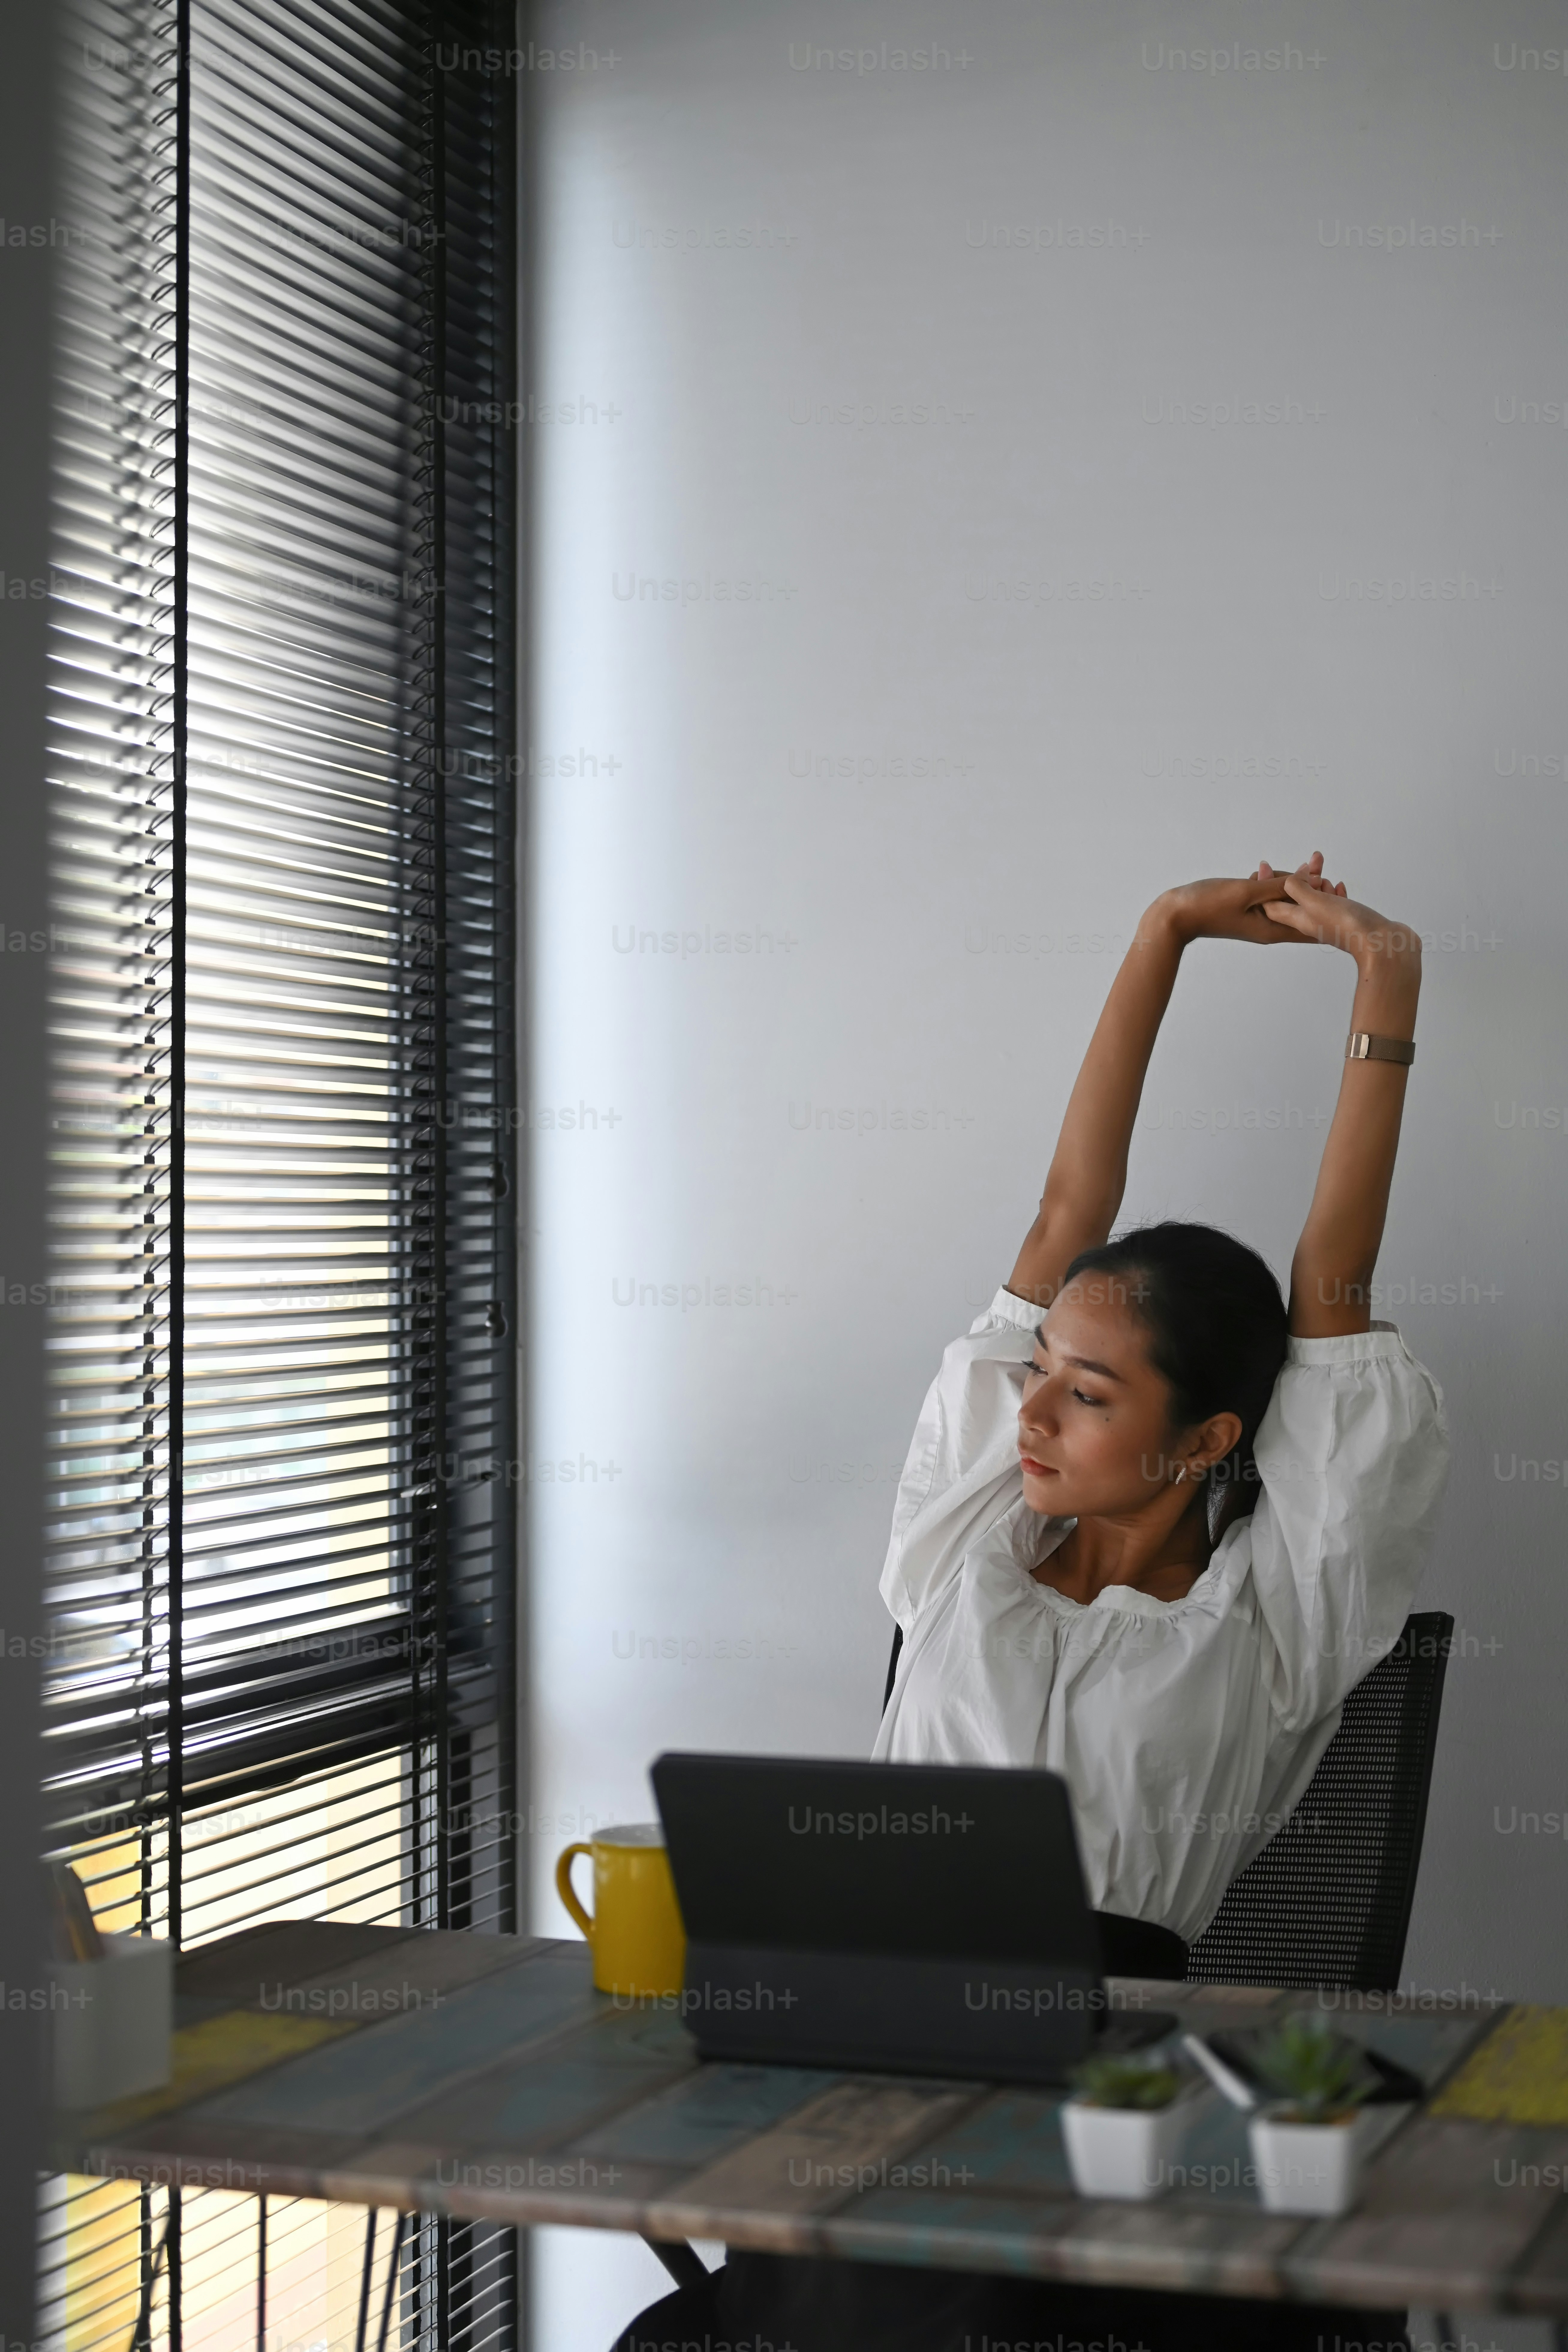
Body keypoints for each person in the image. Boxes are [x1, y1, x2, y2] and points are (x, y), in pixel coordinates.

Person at [614, 856, 1450, 2352]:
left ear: (1206, 1441)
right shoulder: (964, 1535)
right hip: (858, 2038)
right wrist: (1160, 934)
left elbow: (1333, 1280)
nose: (1036, 1411)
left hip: (1111, 2075)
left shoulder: (1283, 1614)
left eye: (1089, 1389)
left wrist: (1384, 981)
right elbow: (1076, 1201)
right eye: (1042, 1368)